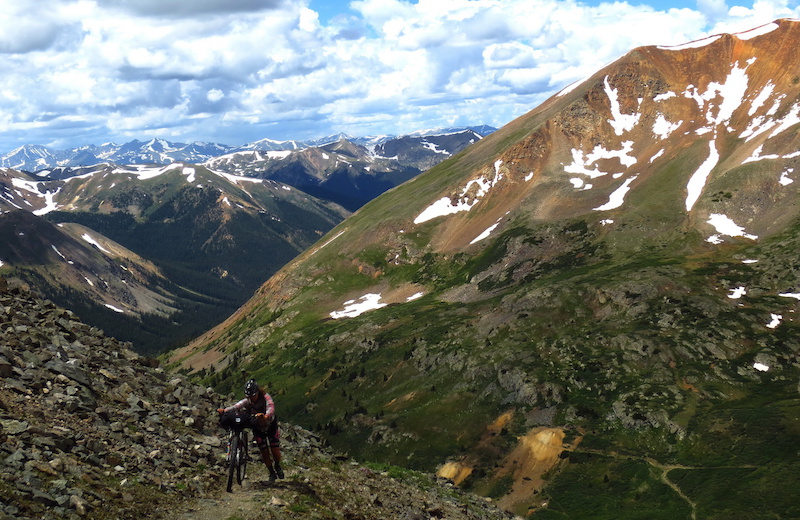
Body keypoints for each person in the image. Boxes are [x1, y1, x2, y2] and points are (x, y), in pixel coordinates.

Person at [218, 378, 284, 481]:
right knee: (264, 452)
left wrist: (266, 416)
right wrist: (225, 411)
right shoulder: (247, 401)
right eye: (249, 396)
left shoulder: (265, 397)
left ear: (257, 392)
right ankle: (271, 472)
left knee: (275, 450)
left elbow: (271, 407)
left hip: (270, 425)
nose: (251, 398)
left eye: (253, 396)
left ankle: (277, 466)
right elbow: (237, 406)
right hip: (257, 427)